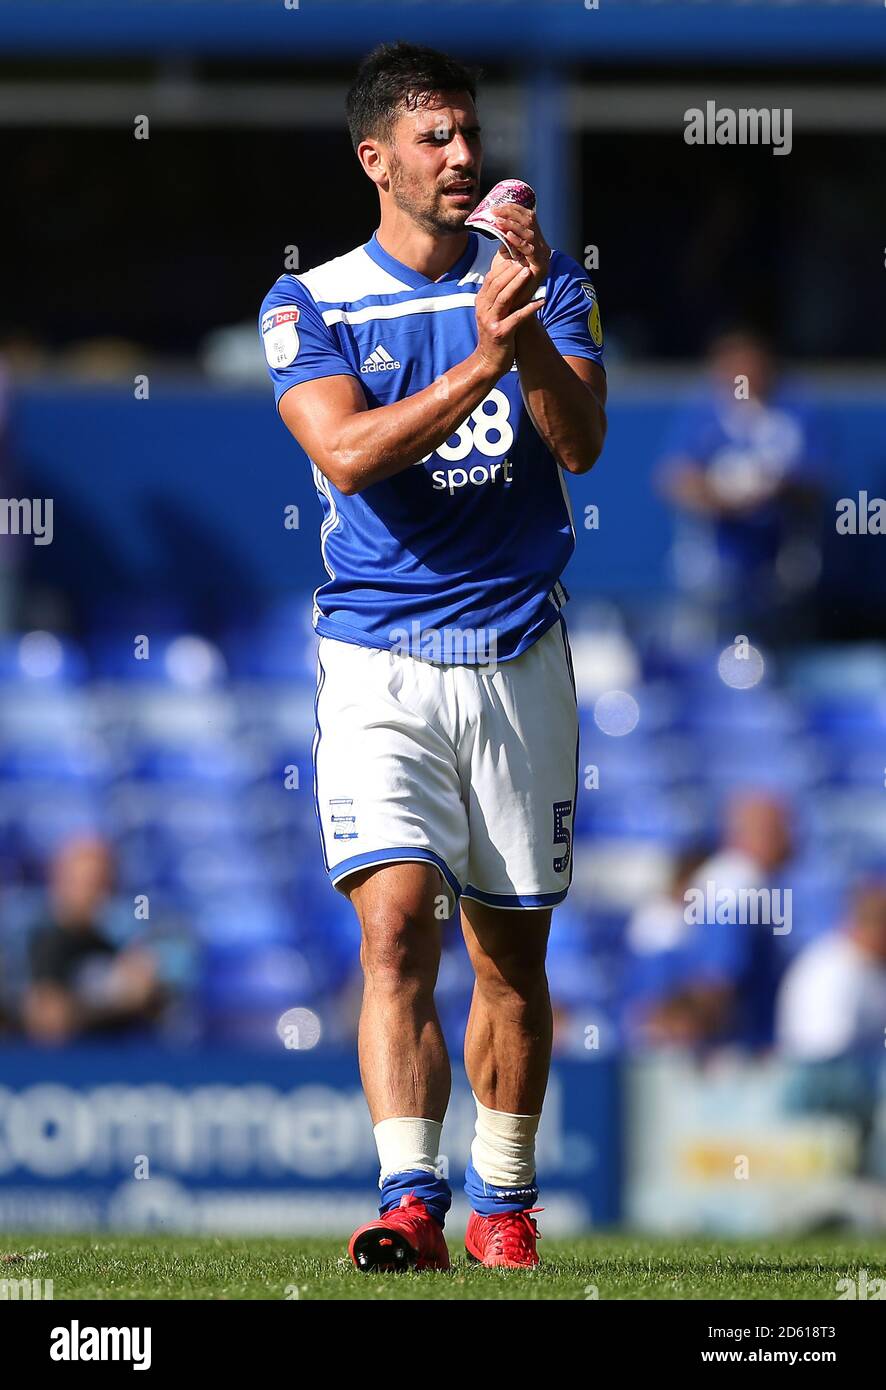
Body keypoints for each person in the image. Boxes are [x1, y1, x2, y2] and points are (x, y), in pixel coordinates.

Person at [259, 42, 607, 1271]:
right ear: (376, 159)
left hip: (516, 650)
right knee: (394, 928)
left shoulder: (540, 280)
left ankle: (503, 1205)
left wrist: (524, 335)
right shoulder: (308, 304)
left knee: (510, 952)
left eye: (467, 134)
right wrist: (477, 355)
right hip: (378, 656)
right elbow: (348, 454)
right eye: (433, 139)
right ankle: (411, 1194)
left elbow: (582, 447)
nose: (462, 157)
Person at [657, 328, 823, 644]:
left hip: (781, 562)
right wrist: (720, 495)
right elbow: (673, 478)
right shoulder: (702, 411)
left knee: (783, 650)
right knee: (703, 645)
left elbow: (817, 482)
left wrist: (776, 488)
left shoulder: (798, 409)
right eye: (734, 367)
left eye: (752, 366)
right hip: (714, 562)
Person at [625, 795, 792, 1050]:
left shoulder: (732, 880)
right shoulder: (736, 881)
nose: (790, 839)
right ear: (739, 835)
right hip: (713, 1048)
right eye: (777, 829)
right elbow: (715, 981)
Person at [22, 835, 163, 1044]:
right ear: (60, 881)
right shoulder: (42, 938)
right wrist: (120, 996)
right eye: (86, 882)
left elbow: (151, 1000)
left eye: (103, 883)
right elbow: (50, 1023)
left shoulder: (114, 938)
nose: (96, 893)